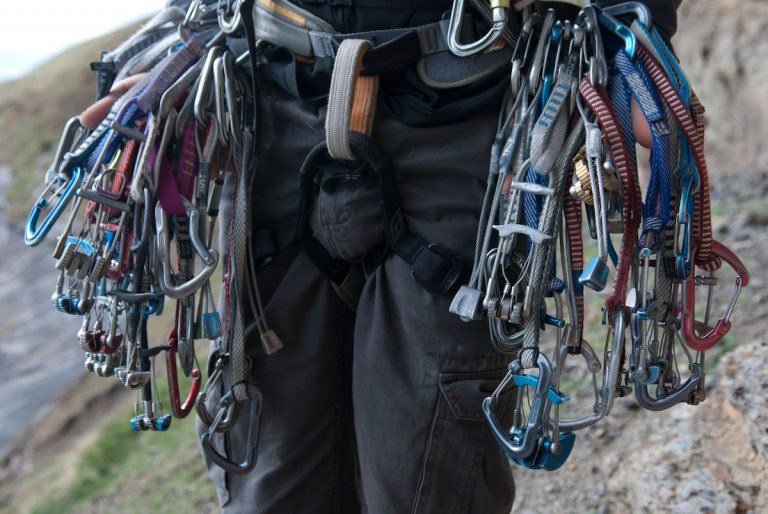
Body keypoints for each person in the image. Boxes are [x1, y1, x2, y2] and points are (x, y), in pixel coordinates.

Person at [80, 1, 681, 512]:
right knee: (271, 470)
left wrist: (632, 36)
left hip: (462, 108)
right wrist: (178, 50)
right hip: (266, 104)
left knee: (431, 464)